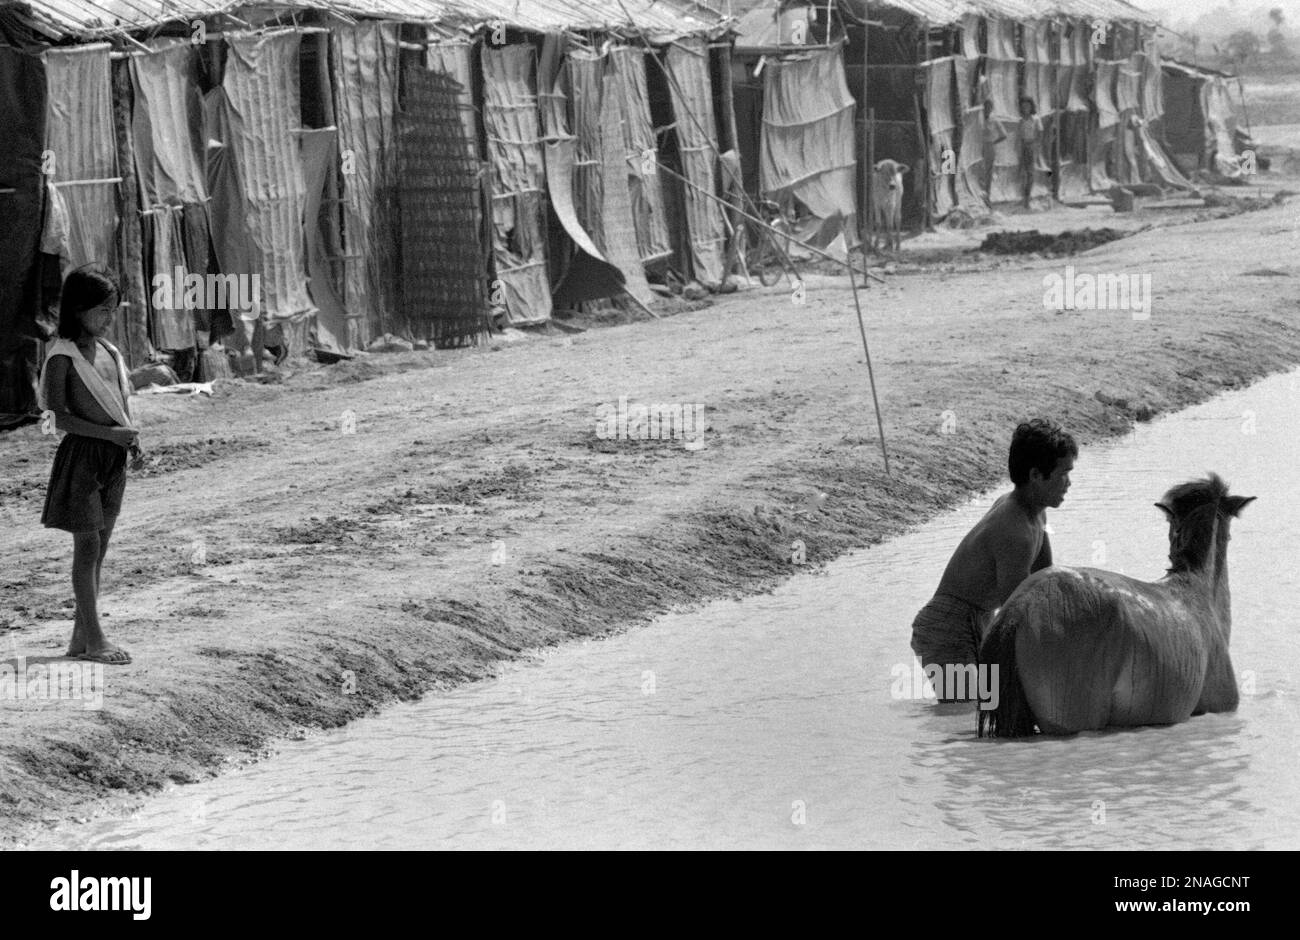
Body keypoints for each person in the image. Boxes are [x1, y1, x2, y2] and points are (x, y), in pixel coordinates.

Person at [910, 418, 1076, 701]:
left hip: (978, 618)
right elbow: (1017, 611)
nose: (1069, 483)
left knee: (981, 709)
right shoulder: (1015, 530)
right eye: (1063, 473)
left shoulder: (1034, 513)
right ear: (1036, 475)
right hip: (947, 626)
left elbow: (1044, 582)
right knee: (970, 711)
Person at [39, 266, 143, 665]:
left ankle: (80, 640)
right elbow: (52, 419)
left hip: (114, 457)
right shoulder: (62, 356)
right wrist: (108, 436)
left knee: (100, 550)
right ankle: (96, 641)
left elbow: (119, 404)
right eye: (102, 310)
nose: (108, 319)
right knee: (87, 546)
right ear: (79, 309)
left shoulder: (111, 352)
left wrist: (130, 440)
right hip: (81, 458)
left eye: (112, 310)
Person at [1017, 97, 1044, 209]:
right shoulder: (1021, 121)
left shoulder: (1036, 119)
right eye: (1023, 107)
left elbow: (1040, 133)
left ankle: (1028, 196)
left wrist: (1037, 146)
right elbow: (1019, 136)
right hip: (1023, 145)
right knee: (1022, 171)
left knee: (1030, 172)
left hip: (1032, 145)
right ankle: (1024, 197)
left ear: (1031, 107)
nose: (1025, 108)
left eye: (1027, 106)